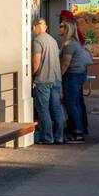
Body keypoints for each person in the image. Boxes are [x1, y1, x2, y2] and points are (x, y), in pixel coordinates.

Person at [30, 17, 65, 145]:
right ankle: (59, 136)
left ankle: (47, 138)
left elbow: (36, 63)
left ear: (34, 28)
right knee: (56, 109)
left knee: (43, 110)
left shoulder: (37, 41)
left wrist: (31, 75)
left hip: (43, 80)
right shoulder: (53, 40)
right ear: (46, 27)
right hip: (56, 80)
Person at [58, 15, 92, 143]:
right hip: (78, 75)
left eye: (61, 26)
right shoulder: (74, 43)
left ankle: (78, 132)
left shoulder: (69, 44)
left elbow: (66, 63)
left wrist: (59, 77)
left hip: (72, 75)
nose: (59, 28)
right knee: (76, 104)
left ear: (67, 29)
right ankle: (79, 129)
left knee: (71, 104)